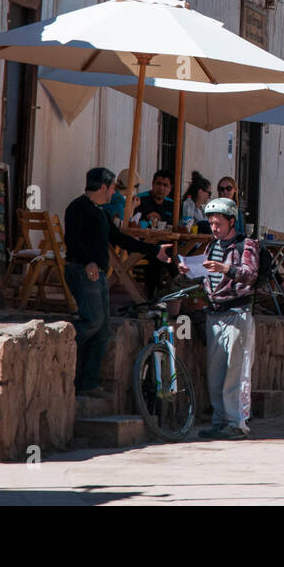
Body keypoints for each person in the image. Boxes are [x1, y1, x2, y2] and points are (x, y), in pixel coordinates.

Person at [63, 167, 171, 396]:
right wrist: (88, 261)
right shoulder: (77, 208)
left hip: (99, 273)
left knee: (102, 330)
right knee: (93, 321)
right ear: (102, 187)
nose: (114, 192)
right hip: (83, 272)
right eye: (112, 187)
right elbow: (71, 240)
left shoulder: (100, 212)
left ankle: (88, 383)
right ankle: (60, 343)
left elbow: (119, 238)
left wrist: (153, 250)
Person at [178, 197, 258, 439]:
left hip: (237, 314)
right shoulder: (211, 246)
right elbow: (206, 276)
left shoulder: (247, 245)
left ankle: (237, 423)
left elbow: (249, 274)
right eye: (211, 223)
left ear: (232, 222)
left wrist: (225, 269)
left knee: (236, 372)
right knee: (215, 375)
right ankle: (219, 421)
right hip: (214, 314)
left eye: (218, 223)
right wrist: (190, 270)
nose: (214, 228)